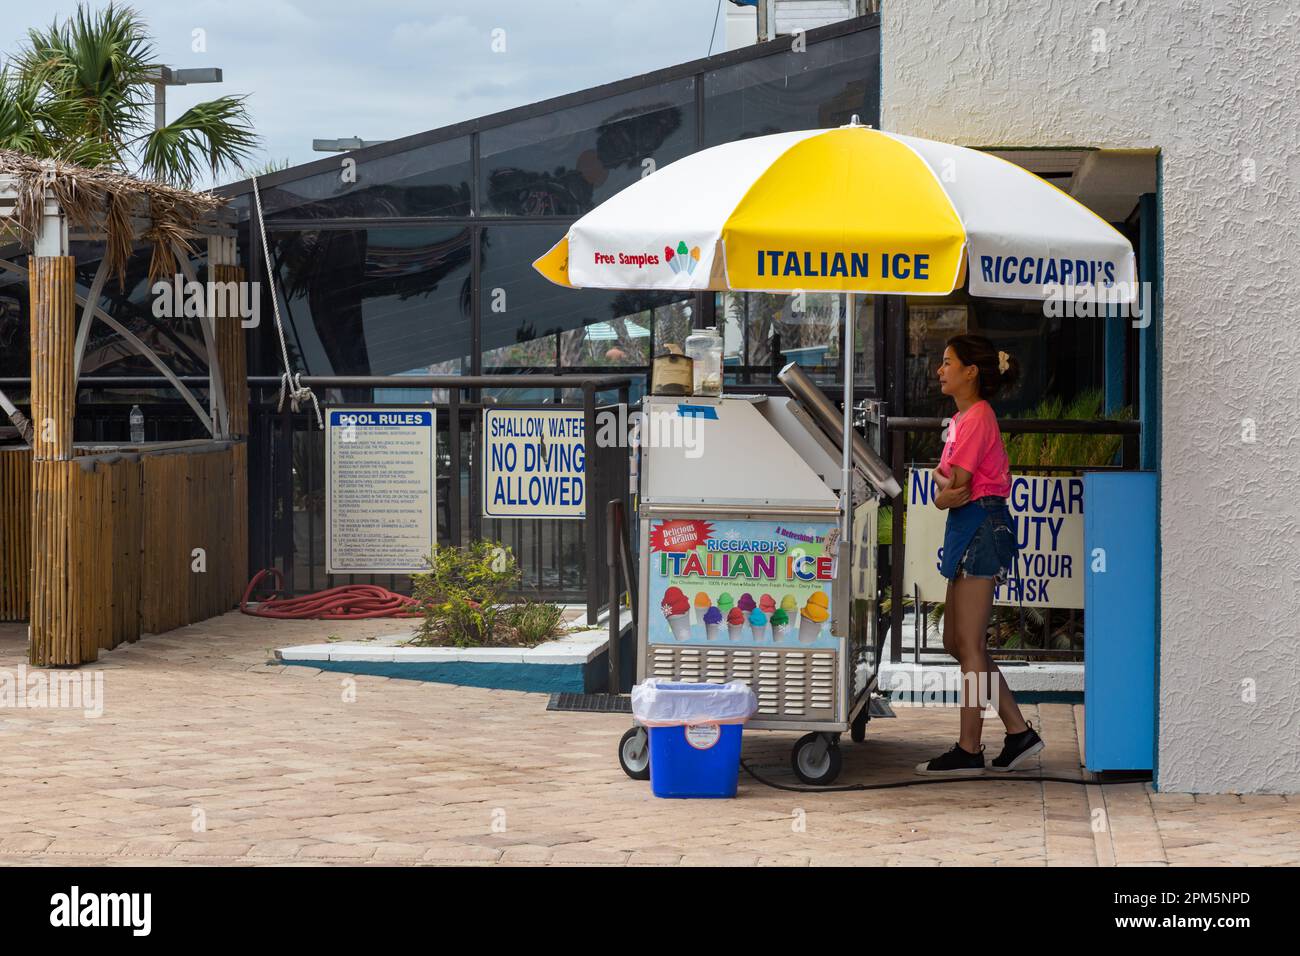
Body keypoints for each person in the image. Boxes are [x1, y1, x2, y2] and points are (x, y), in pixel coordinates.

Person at [914, 334, 1045, 776]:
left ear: (971, 372)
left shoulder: (978, 417)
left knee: (968, 645)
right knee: (956, 642)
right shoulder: (964, 418)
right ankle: (1017, 731)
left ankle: (969, 748)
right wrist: (944, 492)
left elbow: (958, 482)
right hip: (969, 525)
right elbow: (944, 481)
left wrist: (943, 494)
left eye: (948, 361)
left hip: (981, 525)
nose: (940, 369)